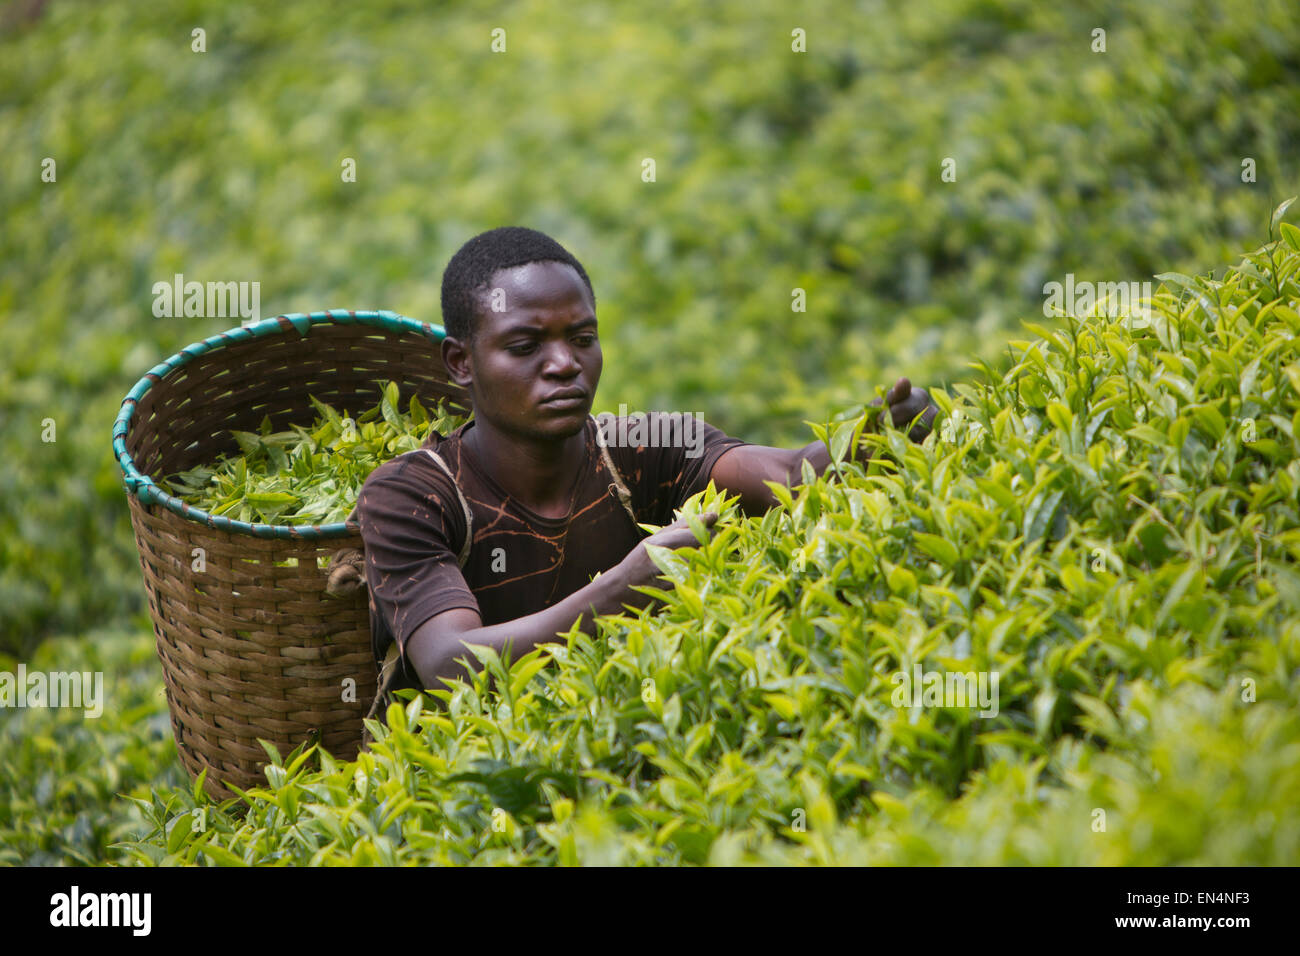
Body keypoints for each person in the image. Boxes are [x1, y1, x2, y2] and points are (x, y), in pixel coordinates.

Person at [354, 226, 936, 710]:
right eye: (526, 346)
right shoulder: (411, 493)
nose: (564, 364)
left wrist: (861, 443)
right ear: (461, 362)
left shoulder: (648, 446)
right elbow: (448, 663)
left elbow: (788, 475)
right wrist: (620, 590)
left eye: (581, 338)